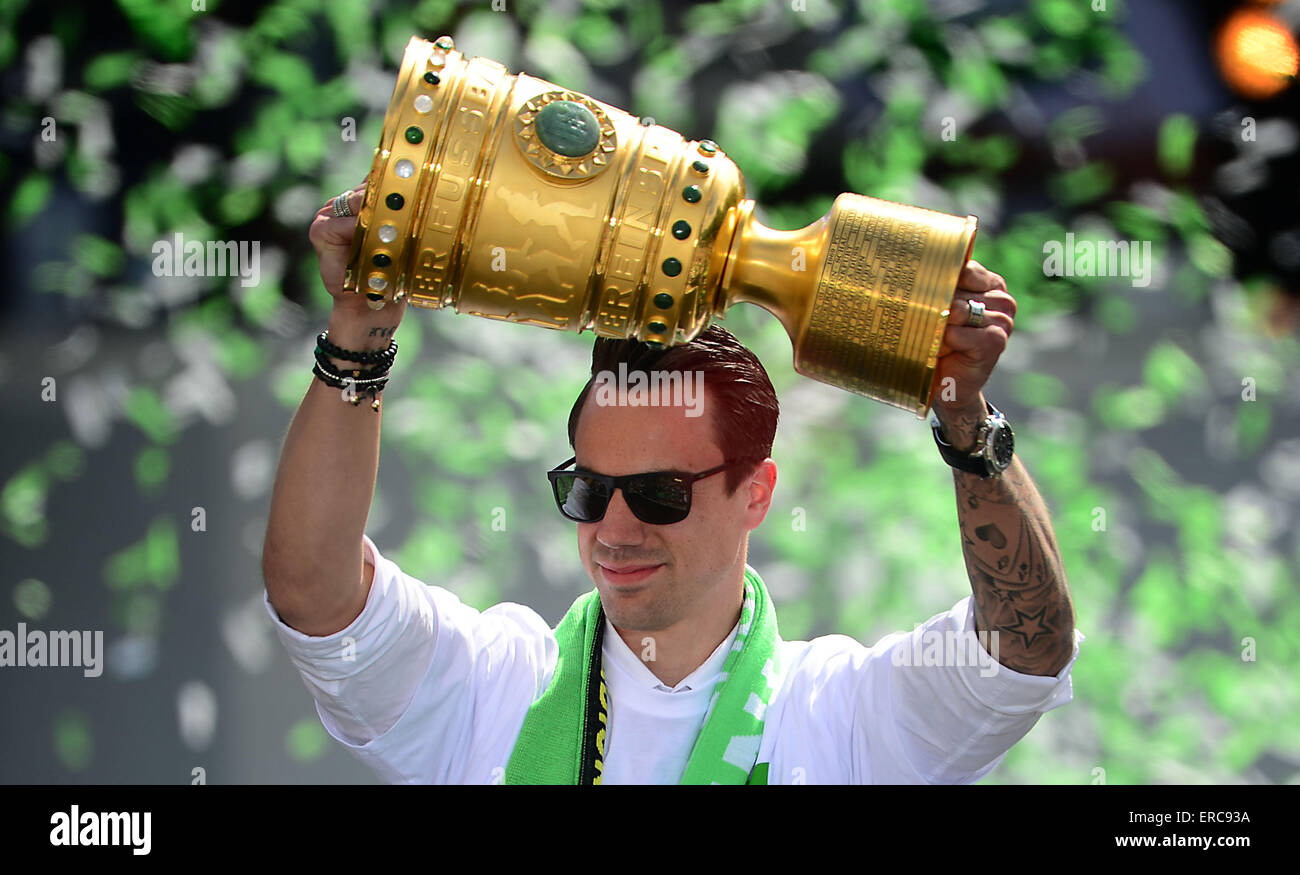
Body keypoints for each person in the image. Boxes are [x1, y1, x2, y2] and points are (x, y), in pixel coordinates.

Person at [261, 182, 1083, 784]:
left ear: (757, 493)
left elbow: (1024, 648)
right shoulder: (495, 683)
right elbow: (313, 591)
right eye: (587, 490)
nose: (615, 528)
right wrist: (359, 329)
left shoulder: (839, 712)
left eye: (660, 493)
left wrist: (964, 418)